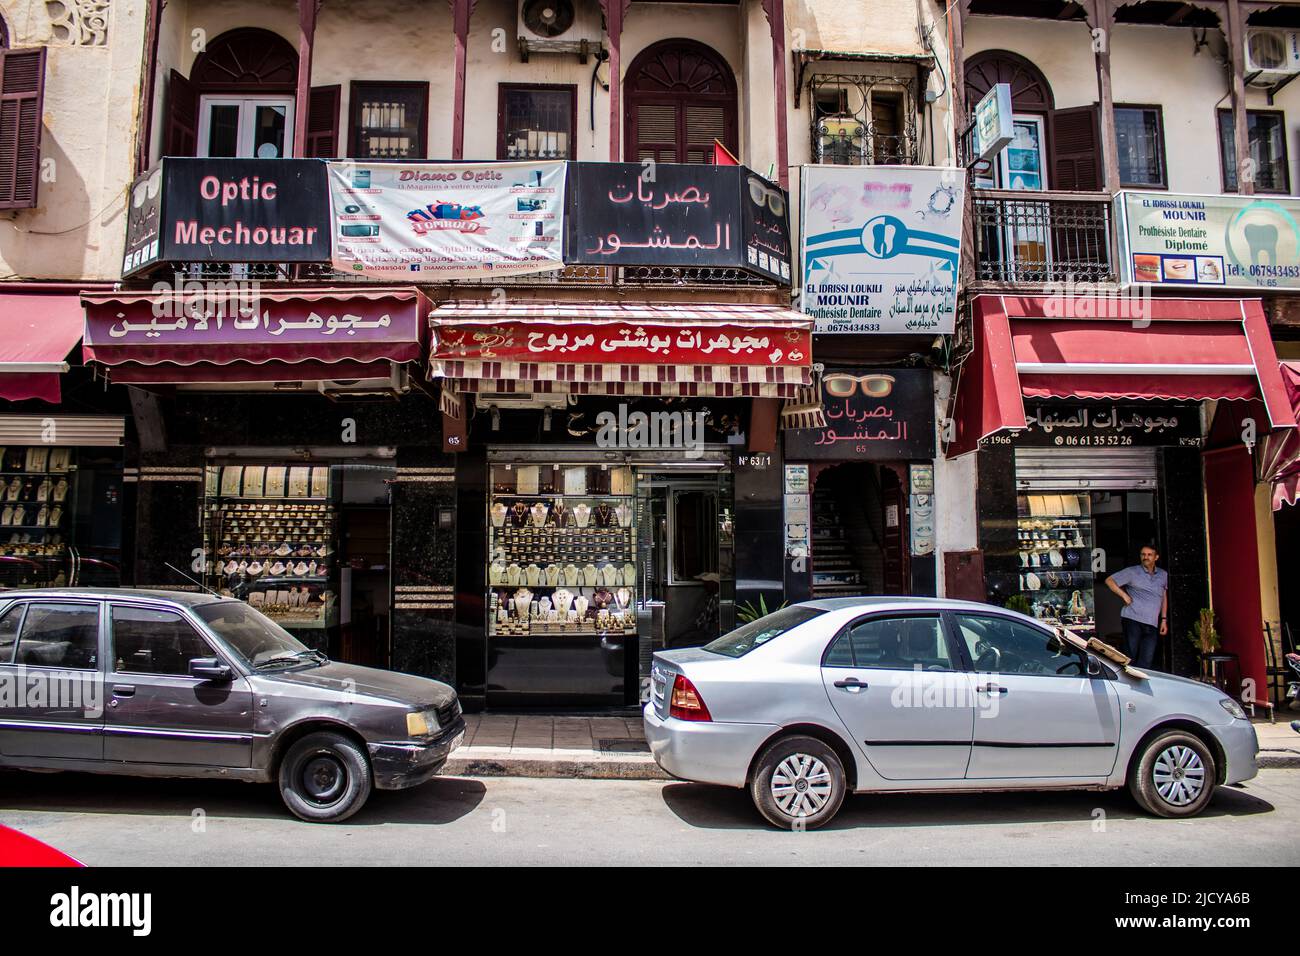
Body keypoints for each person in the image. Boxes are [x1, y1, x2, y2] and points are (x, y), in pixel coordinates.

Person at [1105, 545, 1168, 669]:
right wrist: (1124, 595)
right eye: (1143, 554)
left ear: (1156, 557)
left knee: (1147, 659)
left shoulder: (1163, 574)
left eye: (1149, 555)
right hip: (1133, 619)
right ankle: (1128, 685)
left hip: (1152, 622)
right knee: (1130, 657)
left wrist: (1164, 619)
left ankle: (1141, 686)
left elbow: (1163, 597)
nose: (1146, 557)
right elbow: (1109, 581)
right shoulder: (1132, 572)